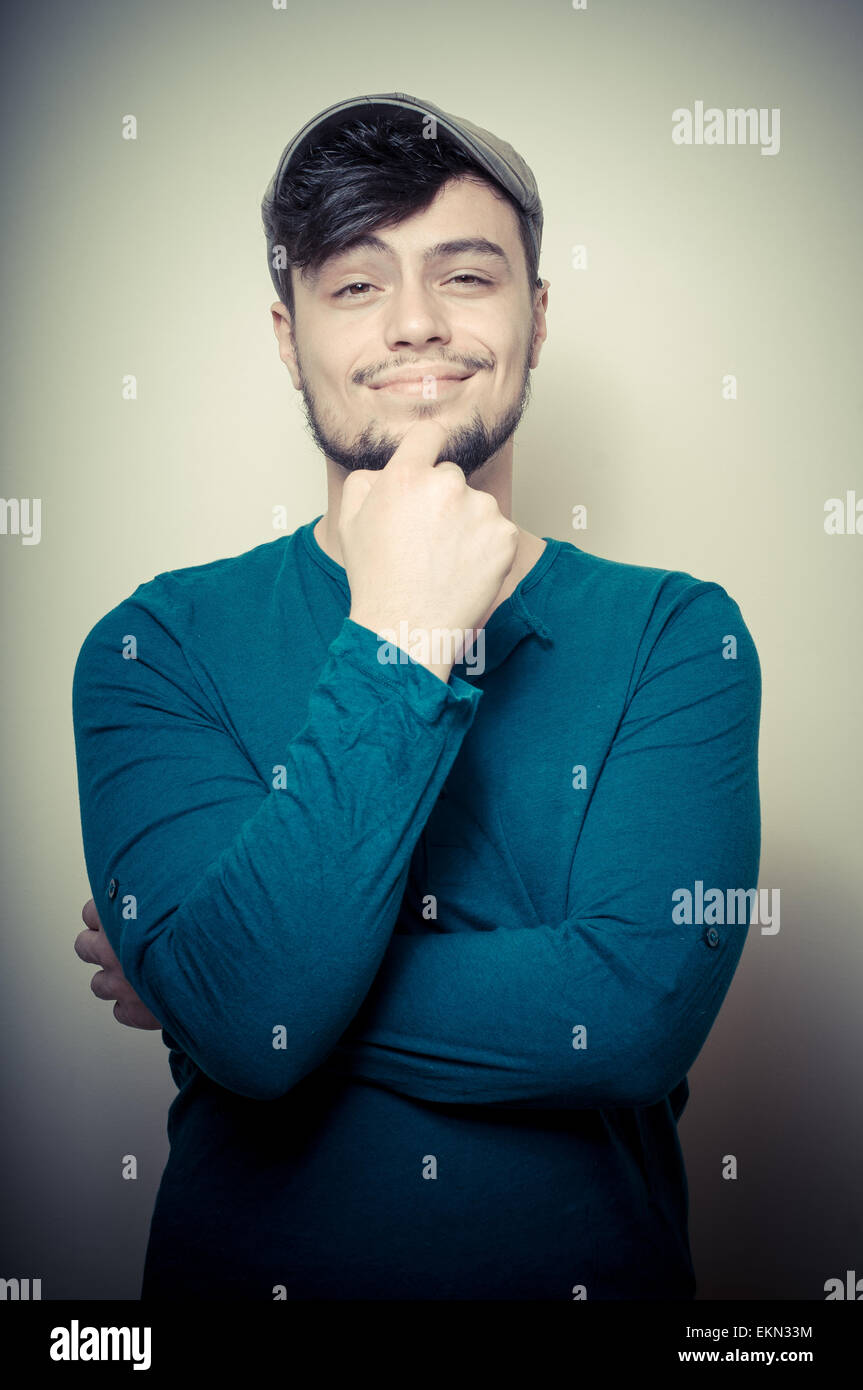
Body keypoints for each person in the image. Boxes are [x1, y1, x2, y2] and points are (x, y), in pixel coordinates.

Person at [72, 93, 761, 1300]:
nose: (414, 324)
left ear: (536, 320)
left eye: (466, 274)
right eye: (352, 284)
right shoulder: (150, 648)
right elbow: (244, 1017)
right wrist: (405, 632)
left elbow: (631, 1015)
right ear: (287, 335)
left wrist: (206, 980)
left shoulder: (676, 634)